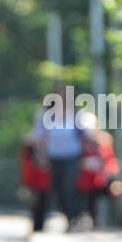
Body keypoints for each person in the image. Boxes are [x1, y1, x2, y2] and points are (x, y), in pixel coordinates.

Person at [28, 85, 88, 232]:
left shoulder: (75, 115)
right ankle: (42, 222)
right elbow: (38, 136)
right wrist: (40, 155)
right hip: (51, 157)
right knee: (50, 190)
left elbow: (85, 135)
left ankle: (72, 218)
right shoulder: (45, 116)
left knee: (67, 188)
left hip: (71, 156)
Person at [75, 113, 121, 227]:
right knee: (85, 199)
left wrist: (105, 169)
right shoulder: (78, 142)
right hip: (84, 179)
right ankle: (84, 219)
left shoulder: (103, 141)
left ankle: (107, 220)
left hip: (100, 178)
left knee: (110, 191)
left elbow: (110, 160)